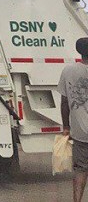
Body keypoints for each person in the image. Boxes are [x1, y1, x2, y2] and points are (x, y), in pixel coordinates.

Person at [61, 37, 88, 201]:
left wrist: (66, 127)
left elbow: (64, 102)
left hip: (80, 132)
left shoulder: (68, 71)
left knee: (80, 169)